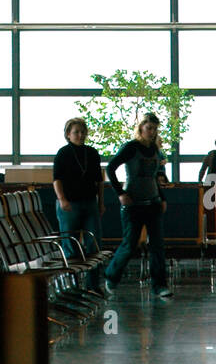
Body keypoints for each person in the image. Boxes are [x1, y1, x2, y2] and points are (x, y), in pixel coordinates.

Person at [103, 112, 172, 299]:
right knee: (130, 244)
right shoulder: (131, 148)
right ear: (141, 128)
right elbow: (110, 168)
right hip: (133, 205)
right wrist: (120, 193)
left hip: (153, 203)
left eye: (155, 129)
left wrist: (162, 197)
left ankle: (159, 285)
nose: (152, 132)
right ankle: (111, 276)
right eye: (149, 128)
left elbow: (156, 176)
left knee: (157, 245)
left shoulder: (156, 150)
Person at [52, 118, 104, 282]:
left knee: (94, 244)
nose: (80, 135)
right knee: (70, 245)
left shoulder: (92, 153)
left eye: (82, 132)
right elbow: (57, 180)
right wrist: (62, 199)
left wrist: (101, 202)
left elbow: (99, 181)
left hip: (89, 202)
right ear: (68, 134)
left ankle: (92, 284)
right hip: (69, 204)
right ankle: (72, 284)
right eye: (76, 132)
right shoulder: (63, 153)